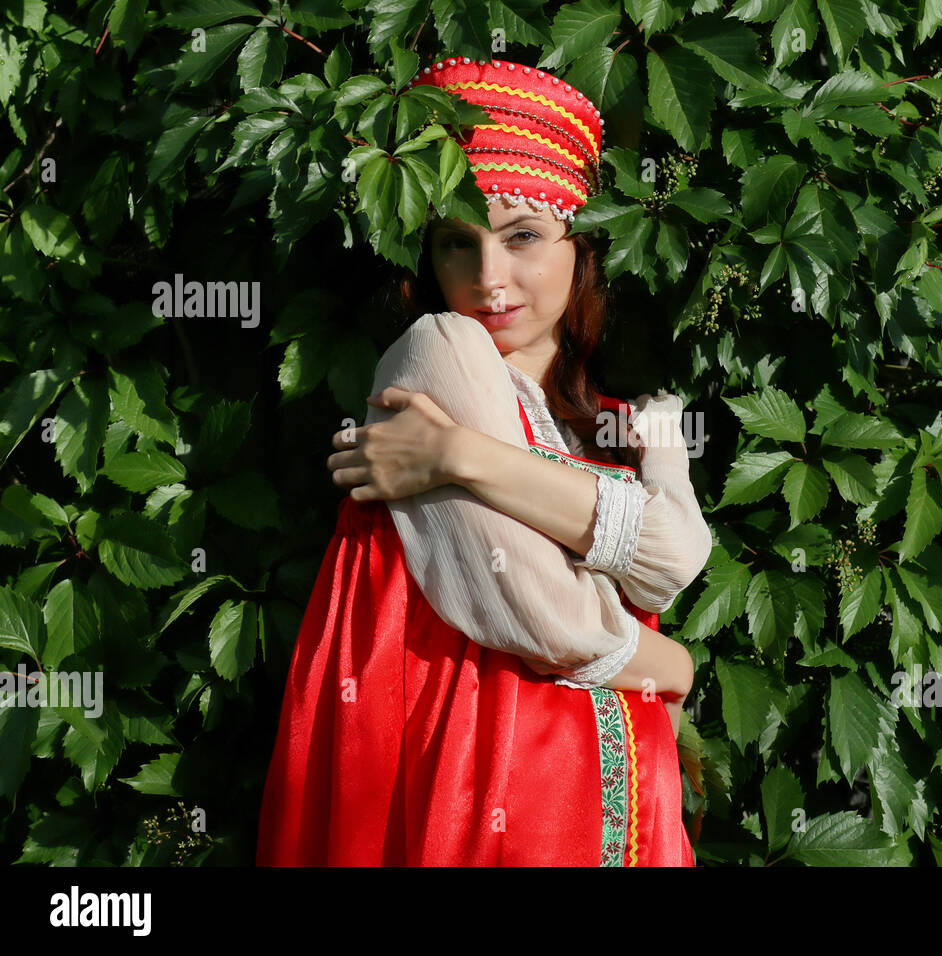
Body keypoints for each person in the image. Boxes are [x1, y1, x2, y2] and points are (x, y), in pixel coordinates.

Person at [255, 56, 712, 866]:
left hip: (630, 810)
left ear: (583, 248)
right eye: (457, 245)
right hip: (482, 787)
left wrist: (465, 456)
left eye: (524, 237)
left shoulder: (614, 422)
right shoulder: (438, 350)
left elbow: (673, 560)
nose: (488, 281)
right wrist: (670, 664)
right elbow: (542, 618)